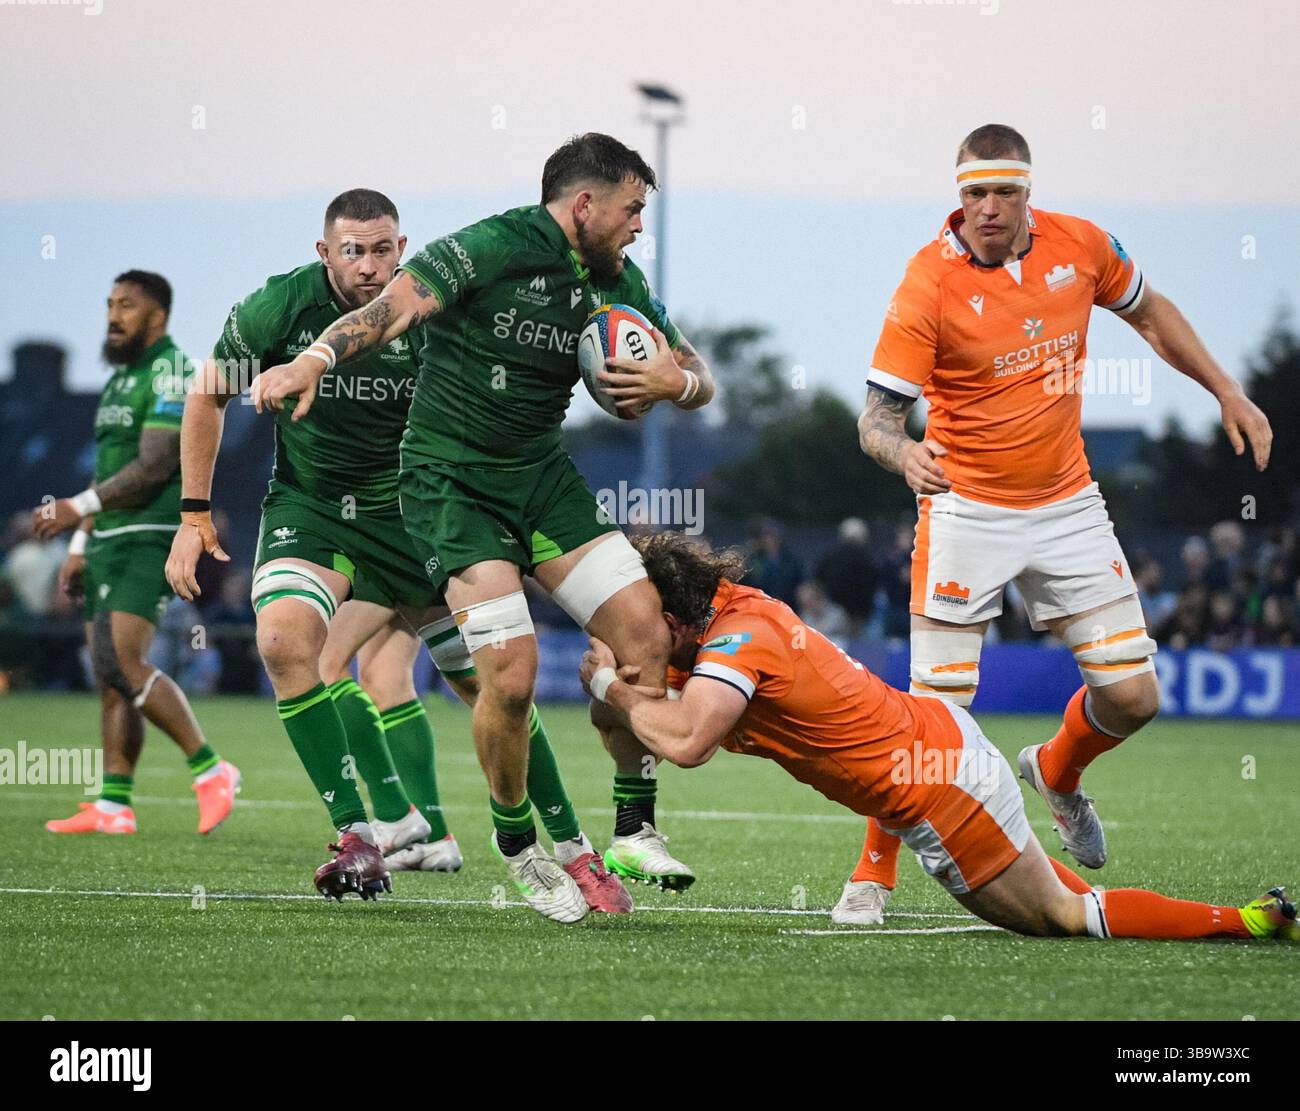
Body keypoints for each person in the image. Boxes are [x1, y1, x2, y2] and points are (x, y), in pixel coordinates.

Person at [250, 135, 716, 915]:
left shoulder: (620, 281)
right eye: (633, 208)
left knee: (647, 636)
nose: (640, 225)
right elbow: (389, 307)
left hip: (540, 478)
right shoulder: (491, 247)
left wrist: (681, 382)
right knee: (511, 672)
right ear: (584, 205)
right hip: (448, 485)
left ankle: (634, 826)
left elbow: (696, 375)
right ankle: (521, 845)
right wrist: (314, 362)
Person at [845, 123, 1274, 925]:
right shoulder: (926, 282)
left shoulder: (1081, 245)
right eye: (974, 193)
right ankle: (873, 871)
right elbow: (875, 419)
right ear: (958, 197)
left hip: (1067, 501)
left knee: (1136, 697)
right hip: (965, 505)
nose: (988, 208)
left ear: (1028, 191)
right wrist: (904, 457)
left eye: (1004, 191)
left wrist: (1226, 389)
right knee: (935, 711)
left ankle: (1058, 771)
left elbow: (1152, 314)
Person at [168, 189, 629, 917]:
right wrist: (193, 510)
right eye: (352, 250)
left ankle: (573, 850)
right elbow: (205, 394)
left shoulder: (429, 309)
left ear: (402, 249)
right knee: (285, 639)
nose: (369, 265)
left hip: (420, 510)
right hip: (313, 509)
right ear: (325, 253)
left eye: (383, 249)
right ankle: (358, 836)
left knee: (495, 689)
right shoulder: (275, 309)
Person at [579, 532, 1297, 944]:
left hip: (940, 794)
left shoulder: (738, 639)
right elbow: (645, 712)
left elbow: (689, 740)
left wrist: (609, 686)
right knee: (1059, 890)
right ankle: (633, 827)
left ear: (674, 616)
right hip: (943, 747)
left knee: (1063, 916)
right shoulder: (728, 617)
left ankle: (1247, 922)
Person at [32, 271, 238, 836]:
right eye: (109, 304)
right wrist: (80, 541)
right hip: (106, 541)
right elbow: (110, 469)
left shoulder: (173, 370)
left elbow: (155, 465)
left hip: (149, 536)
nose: (113, 315)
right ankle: (115, 804)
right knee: (108, 674)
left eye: (127, 305)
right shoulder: (123, 378)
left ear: (158, 315)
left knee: (125, 663)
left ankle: (212, 768)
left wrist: (75, 507)